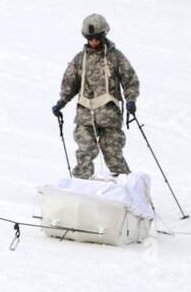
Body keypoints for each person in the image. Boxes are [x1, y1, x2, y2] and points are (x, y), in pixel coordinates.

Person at [52, 13, 141, 179]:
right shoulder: (80, 59)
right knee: (85, 151)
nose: (93, 42)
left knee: (113, 153)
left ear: (103, 35)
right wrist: (61, 103)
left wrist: (131, 100)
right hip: (85, 115)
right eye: (90, 38)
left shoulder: (115, 57)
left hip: (109, 115)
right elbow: (69, 84)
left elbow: (130, 80)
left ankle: (127, 188)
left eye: (96, 38)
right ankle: (80, 185)